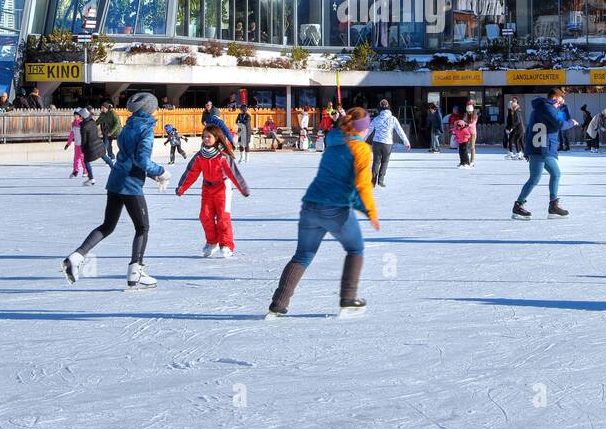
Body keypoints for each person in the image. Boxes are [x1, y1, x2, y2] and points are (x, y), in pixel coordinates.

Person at [266, 107, 380, 318]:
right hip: (335, 208)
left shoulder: (333, 142)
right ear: (363, 129)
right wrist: (370, 211)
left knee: (303, 255)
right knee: (356, 248)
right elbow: (362, 186)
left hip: (311, 205)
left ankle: (278, 303)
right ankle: (348, 298)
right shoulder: (361, 149)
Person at [62, 92, 169, 291]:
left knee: (108, 225)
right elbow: (142, 160)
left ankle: (76, 257)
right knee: (142, 227)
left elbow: (128, 156)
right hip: (130, 185)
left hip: (116, 181)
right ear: (149, 109)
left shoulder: (129, 125)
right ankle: (135, 273)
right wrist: (161, 171)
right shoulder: (145, 128)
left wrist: (151, 175)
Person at [177, 124, 249, 258]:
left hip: (223, 188)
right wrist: (182, 187)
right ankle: (212, 242)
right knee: (205, 216)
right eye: (204, 136)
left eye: (209, 137)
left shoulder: (223, 156)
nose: (205, 139)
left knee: (223, 217)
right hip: (207, 188)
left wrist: (243, 189)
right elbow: (191, 172)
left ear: (216, 138)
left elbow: (234, 174)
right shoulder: (200, 156)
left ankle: (226, 244)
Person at [511, 87, 573, 220]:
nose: (561, 103)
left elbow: (529, 130)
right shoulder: (547, 107)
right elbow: (560, 124)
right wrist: (571, 122)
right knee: (538, 177)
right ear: (555, 98)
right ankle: (520, 205)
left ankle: (552, 205)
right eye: (561, 99)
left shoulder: (539, 108)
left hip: (539, 148)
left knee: (552, 174)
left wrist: (527, 149)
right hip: (543, 148)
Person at [368, 99, 411, 187]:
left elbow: (368, 131)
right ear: (389, 107)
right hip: (387, 144)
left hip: (376, 142)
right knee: (385, 162)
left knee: (376, 162)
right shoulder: (393, 119)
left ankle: (372, 182)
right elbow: (400, 131)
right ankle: (381, 180)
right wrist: (406, 142)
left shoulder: (376, 119)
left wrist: (360, 140)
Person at [75, 107, 106, 186]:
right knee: (104, 156)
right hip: (98, 142)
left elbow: (84, 139)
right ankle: (114, 169)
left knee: (86, 161)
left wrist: (83, 148)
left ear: (83, 116)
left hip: (91, 145)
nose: (79, 117)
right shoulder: (92, 121)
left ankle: (91, 178)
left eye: (80, 116)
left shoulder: (84, 126)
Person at [65, 110, 88, 179]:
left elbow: (85, 134)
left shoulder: (82, 124)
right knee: (76, 158)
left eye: (77, 115)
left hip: (82, 144)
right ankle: (75, 170)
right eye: (74, 115)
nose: (75, 116)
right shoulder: (73, 124)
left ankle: (85, 171)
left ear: (80, 116)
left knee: (82, 158)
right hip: (76, 144)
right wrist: (68, 144)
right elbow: (72, 135)